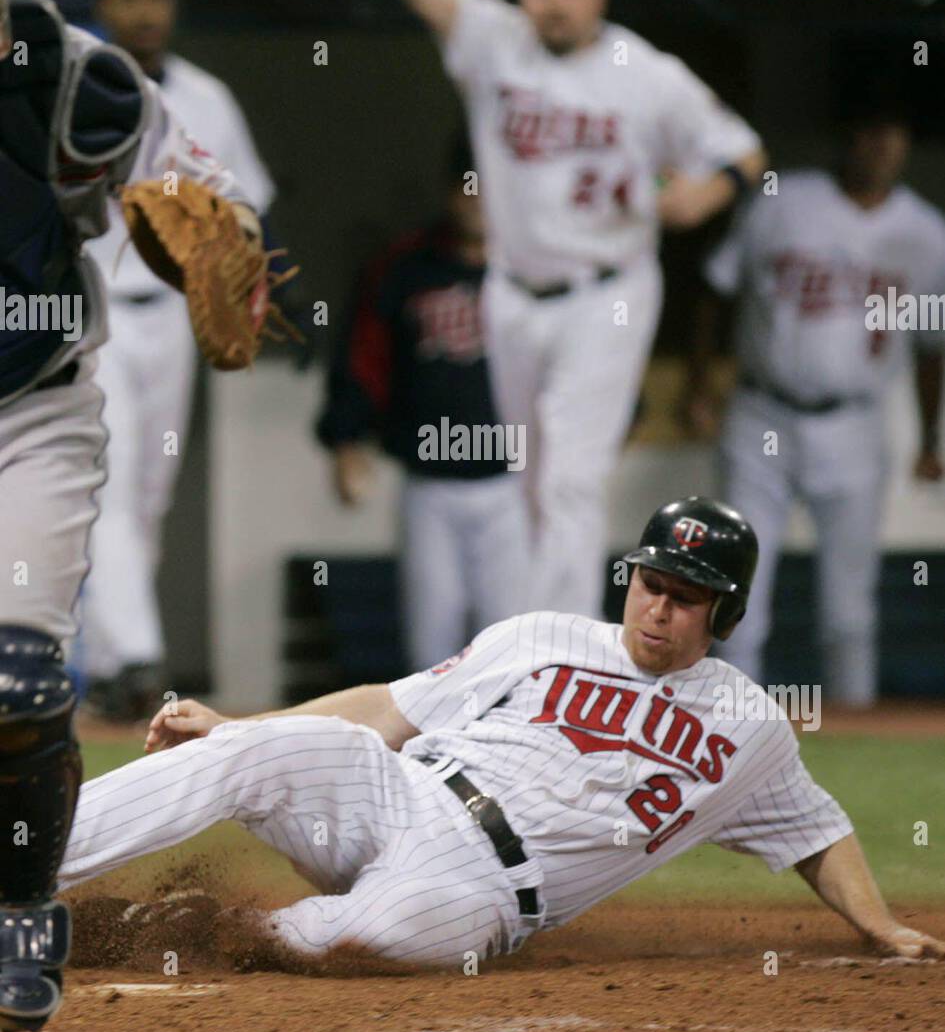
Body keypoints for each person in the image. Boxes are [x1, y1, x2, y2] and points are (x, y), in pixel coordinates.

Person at [57, 496, 943, 972]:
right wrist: (235, 725)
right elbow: (385, 710)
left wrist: (879, 926)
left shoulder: (749, 726)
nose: (657, 605)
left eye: (685, 595)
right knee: (241, 753)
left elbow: (815, 832)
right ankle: (25, 874)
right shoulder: (541, 635)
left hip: (484, 885)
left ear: (728, 611)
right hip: (397, 788)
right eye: (649, 581)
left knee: (369, 937)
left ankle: (194, 931)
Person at [379, 0, 766, 620]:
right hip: (512, 291)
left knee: (568, 479)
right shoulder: (497, 43)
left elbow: (745, 152)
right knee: (529, 478)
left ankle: (553, 652)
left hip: (606, 291)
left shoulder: (644, 72)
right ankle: (544, 636)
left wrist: (705, 190)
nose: (551, 3)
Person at [0, 0, 262, 1032]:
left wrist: (219, 241)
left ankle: (18, 911)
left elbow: (197, 180)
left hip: (29, 410)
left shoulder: (65, 72)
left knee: (17, 683)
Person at [682, 116, 945, 705]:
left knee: (848, 612)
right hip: (761, 413)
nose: (878, 145)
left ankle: (860, 747)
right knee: (738, 598)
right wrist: (698, 385)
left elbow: (932, 350)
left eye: (891, 134)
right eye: (868, 131)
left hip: (854, 421)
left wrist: (930, 438)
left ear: (905, 145)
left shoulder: (926, 233)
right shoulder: (782, 200)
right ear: (847, 137)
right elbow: (714, 289)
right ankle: (729, 744)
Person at [79, 0, 276, 722]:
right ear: (103, 5)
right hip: (94, 316)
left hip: (172, 313)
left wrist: (241, 288)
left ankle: (109, 667)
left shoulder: (206, 98)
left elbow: (247, 204)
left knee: (147, 501)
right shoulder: (78, 85)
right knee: (112, 484)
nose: (144, 11)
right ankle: (136, 655)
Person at [316, 148, 528, 670]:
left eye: (488, 186)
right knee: (431, 647)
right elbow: (363, 360)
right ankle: (429, 753)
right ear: (450, 191)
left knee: (516, 647)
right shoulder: (405, 268)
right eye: (467, 186)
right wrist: (346, 440)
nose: (477, 201)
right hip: (430, 481)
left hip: (516, 483)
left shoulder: (536, 268)